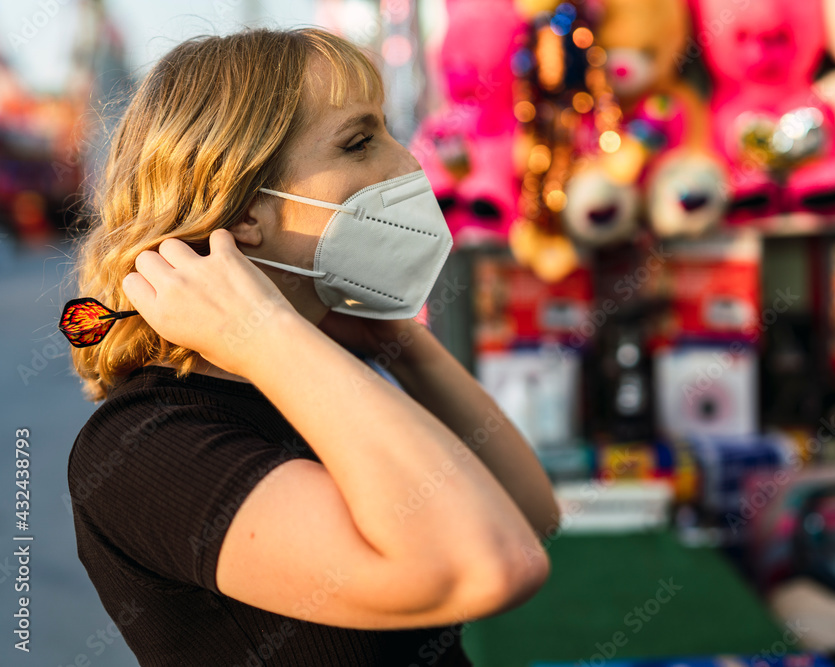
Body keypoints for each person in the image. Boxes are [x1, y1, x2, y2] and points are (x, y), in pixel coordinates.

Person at [65, 27, 558, 666]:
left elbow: (529, 515)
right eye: (359, 141)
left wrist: (399, 341)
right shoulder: (145, 445)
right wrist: (265, 333)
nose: (409, 164)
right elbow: (489, 566)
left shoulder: (311, 373)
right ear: (241, 210)